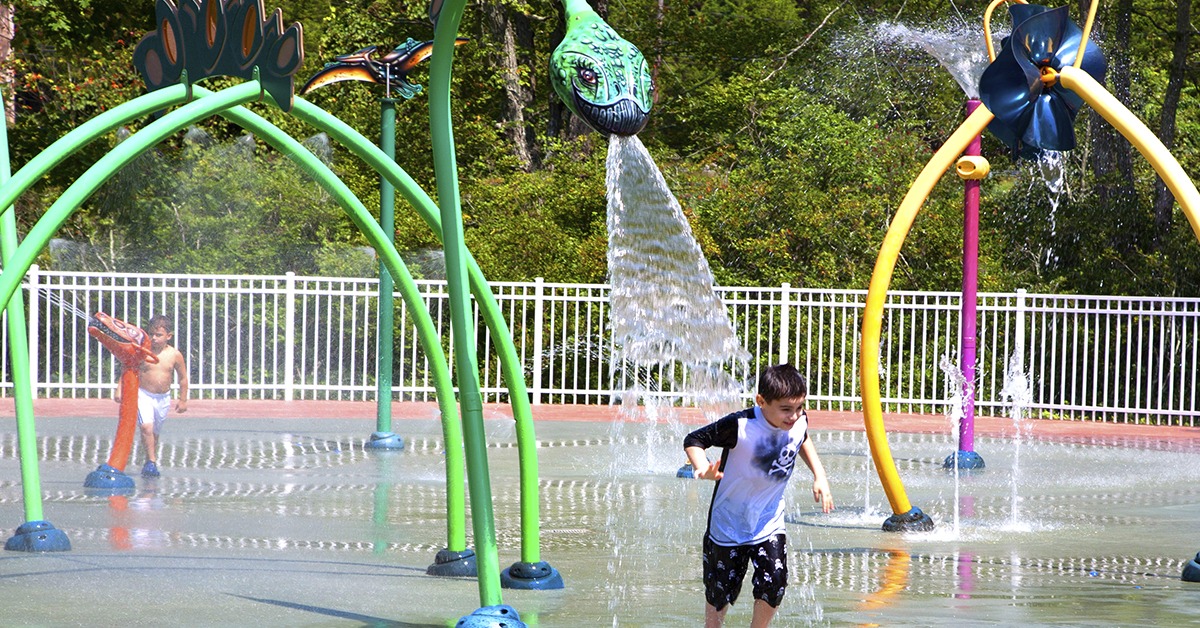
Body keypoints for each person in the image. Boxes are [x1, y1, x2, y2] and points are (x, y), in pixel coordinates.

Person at [683, 363, 834, 628]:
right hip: (728, 523)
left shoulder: (798, 420)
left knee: (774, 581)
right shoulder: (741, 425)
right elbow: (694, 439)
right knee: (721, 593)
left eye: (799, 407)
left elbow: (803, 438)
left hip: (768, 519)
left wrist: (819, 475)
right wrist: (702, 468)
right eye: (786, 409)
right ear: (761, 401)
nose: (794, 416)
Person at [116, 315, 188, 478]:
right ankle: (151, 462)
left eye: (159, 335)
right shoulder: (142, 351)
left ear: (169, 336)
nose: (154, 338)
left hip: (163, 398)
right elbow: (127, 368)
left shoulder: (174, 355)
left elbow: (183, 378)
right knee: (146, 427)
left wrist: (183, 400)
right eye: (151, 334)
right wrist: (120, 389)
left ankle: (149, 459)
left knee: (154, 432)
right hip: (144, 395)